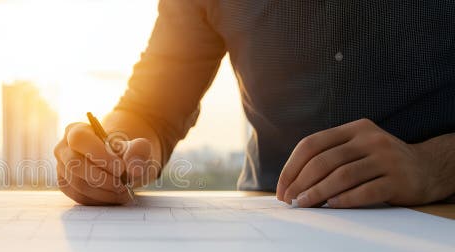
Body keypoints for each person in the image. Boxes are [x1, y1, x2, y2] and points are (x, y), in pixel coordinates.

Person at [54, 0, 455, 208]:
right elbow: (150, 109)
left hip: (439, 215)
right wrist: (115, 150)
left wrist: (434, 166)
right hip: (275, 228)